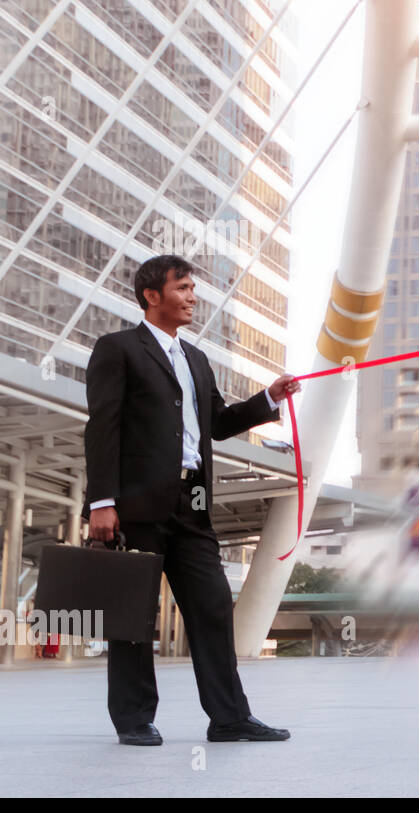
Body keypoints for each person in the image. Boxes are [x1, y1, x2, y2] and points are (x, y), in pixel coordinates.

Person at [83, 255, 300, 746]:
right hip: (134, 505)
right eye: (182, 288)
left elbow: (218, 423)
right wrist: (102, 502)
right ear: (151, 295)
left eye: (193, 288)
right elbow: (103, 428)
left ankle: (229, 718)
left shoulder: (197, 360)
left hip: (192, 503)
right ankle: (135, 718)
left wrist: (269, 398)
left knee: (213, 606)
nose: (192, 297)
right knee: (133, 613)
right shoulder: (118, 350)